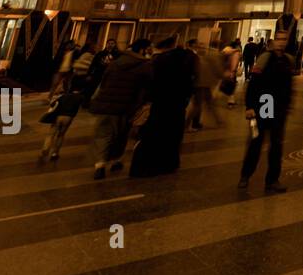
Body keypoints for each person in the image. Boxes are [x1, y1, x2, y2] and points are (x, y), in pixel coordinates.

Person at [86, 38, 154, 178]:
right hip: (125, 107)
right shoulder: (145, 65)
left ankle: (100, 164)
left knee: (103, 134)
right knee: (121, 135)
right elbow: (145, 89)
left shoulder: (115, 63)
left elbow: (103, 83)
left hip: (105, 105)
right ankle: (116, 160)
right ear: (143, 50)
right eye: (149, 48)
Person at [129, 37, 196, 178]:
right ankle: (168, 163)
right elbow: (189, 84)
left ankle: (143, 167)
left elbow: (149, 83)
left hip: (159, 102)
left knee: (153, 133)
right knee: (173, 134)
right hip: (177, 103)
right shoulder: (185, 62)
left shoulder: (157, 62)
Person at [238, 39, 297, 193]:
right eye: (279, 40)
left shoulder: (287, 60)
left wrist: (288, 104)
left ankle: (272, 180)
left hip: (279, 107)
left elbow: (290, 85)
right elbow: (254, 83)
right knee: (257, 140)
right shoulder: (265, 58)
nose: (282, 43)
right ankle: (246, 175)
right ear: (274, 42)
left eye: (285, 40)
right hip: (266, 103)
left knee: (276, 144)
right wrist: (249, 105)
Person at [187, 41, 225, 131]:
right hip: (203, 83)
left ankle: (218, 121)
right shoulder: (214, 55)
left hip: (200, 82)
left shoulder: (199, 55)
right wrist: (222, 75)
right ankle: (187, 124)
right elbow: (218, 69)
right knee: (199, 105)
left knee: (208, 103)